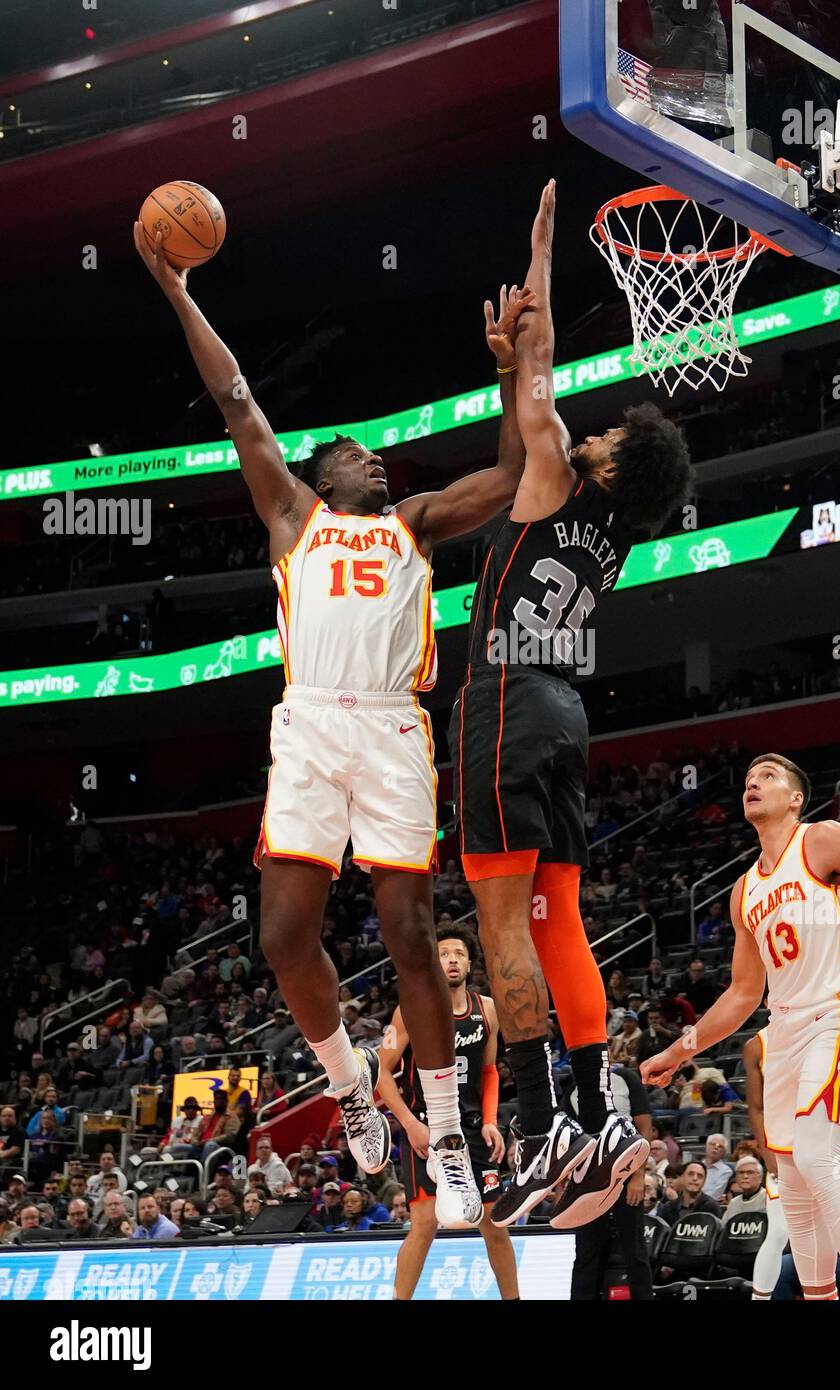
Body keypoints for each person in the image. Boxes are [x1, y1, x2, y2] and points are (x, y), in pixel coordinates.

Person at [135, 222, 537, 1234]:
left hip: (393, 729)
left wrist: (510, 369)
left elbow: (516, 470)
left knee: (408, 930)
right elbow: (237, 401)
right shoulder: (292, 516)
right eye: (362, 454)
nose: (381, 462)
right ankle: (352, 1082)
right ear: (327, 475)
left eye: (382, 457)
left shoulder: (418, 522)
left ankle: (443, 1134)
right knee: (281, 936)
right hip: (310, 725)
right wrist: (176, 289)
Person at [451, 182, 693, 1229]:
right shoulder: (619, 531)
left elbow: (543, 378)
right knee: (560, 925)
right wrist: (509, 367)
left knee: (503, 922)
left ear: (608, 460)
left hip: (505, 700)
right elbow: (530, 388)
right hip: (567, 716)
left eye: (605, 433)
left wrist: (542, 254)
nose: (588, 430)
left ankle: (546, 1118)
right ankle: (600, 1110)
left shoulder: (556, 470)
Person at [642, 753, 840, 1302]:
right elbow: (744, 994)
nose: (754, 783)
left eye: (768, 777)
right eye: (749, 778)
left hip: (838, 1012)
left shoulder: (823, 840)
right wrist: (679, 1049)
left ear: (795, 797)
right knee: (794, 1183)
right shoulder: (744, 889)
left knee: (819, 1155)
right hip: (785, 1028)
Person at [376, 926, 518, 1300]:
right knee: (424, 1224)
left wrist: (491, 1120)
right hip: (426, 1128)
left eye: (458, 953)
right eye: (443, 954)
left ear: (470, 963)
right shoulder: (410, 1010)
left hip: (471, 1128)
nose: (452, 959)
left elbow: (489, 1071)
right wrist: (408, 1125)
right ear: (433, 963)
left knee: (495, 1224)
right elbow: (380, 1073)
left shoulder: (487, 1009)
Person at [564, 1062, 654, 1300]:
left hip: (625, 1171)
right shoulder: (573, 1088)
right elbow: (568, 1139)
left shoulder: (625, 1078)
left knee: (634, 1249)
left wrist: (638, 1175)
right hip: (588, 1178)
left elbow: (644, 1128)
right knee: (586, 1252)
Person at [657, 1161, 720, 1225]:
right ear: (682, 1177)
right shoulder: (667, 1208)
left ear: (704, 1182)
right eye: (690, 1174)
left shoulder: (711, 1207)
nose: (695, 1178)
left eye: (700, 1176)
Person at [702, 1133, 734, 1201]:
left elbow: (714, 1195)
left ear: (724, 1152)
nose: (715, 1147)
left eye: (720, 1146)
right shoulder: (696, 1166)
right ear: (706, 1146)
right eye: (712, 1144)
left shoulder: (726, 1171)